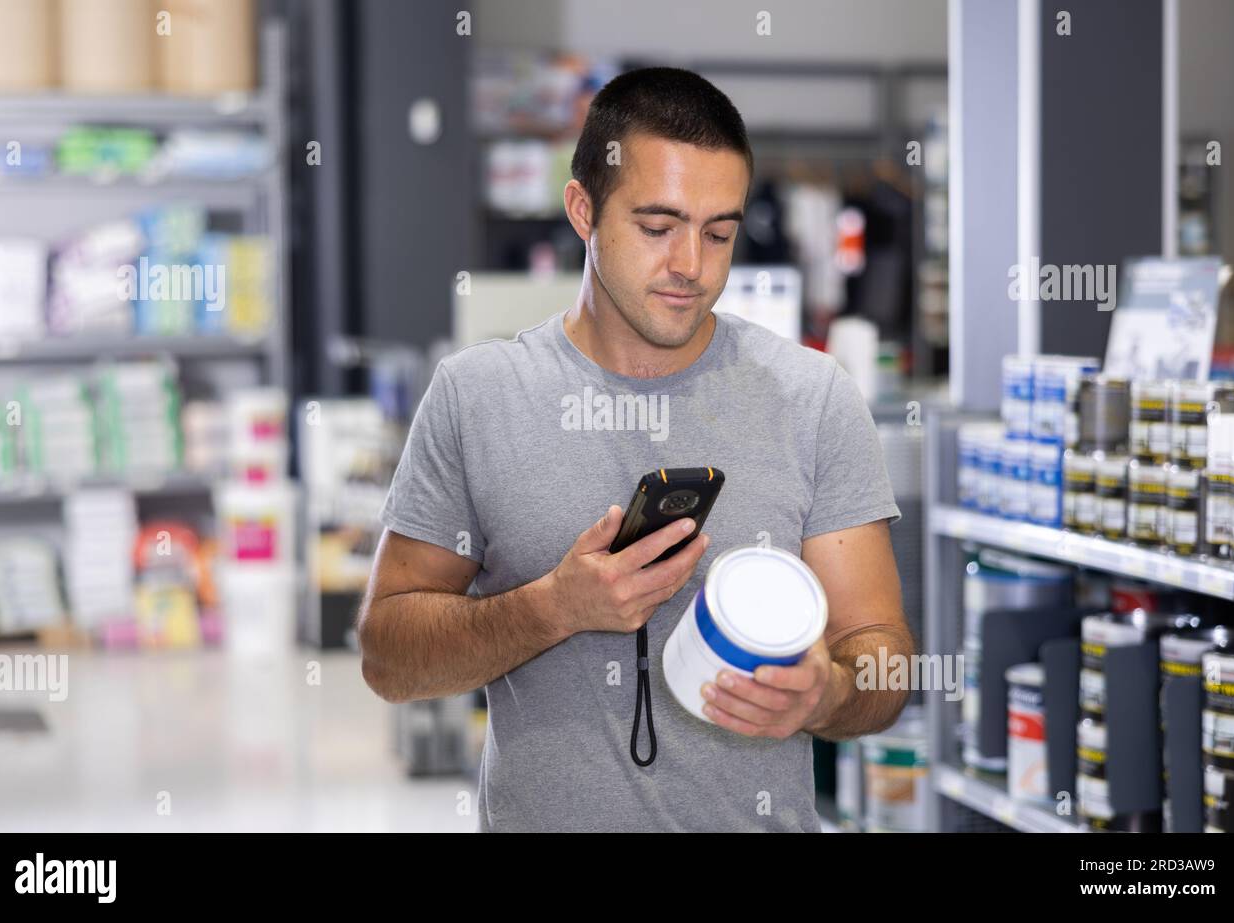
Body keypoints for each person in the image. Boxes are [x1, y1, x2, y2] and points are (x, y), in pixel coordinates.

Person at [359, 67, 912, 832]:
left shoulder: (812, 397)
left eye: (719, 232)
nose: (692, 263)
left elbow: (884, 658)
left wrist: (830, 694)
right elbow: (387, 656)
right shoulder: (477, 396)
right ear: (583, 210)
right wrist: (553, 607)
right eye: (657, 227)